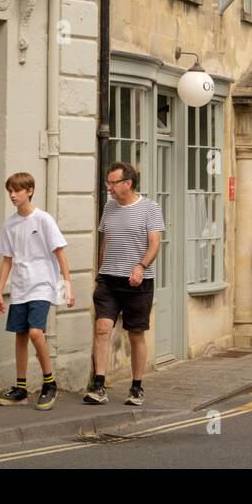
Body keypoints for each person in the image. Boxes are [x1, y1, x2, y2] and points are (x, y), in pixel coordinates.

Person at [0, 172, 74, 411]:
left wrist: (67, 285)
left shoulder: (43, 220)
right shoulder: (10, 224)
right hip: (19, 287)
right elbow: (7, 260)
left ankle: (49, 383)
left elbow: (59, 253)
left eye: (17, 190)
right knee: (20, 335)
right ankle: (20, 389)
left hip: (42, 285)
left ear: (29, 191)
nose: (12, 195)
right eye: (10, 191)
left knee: (35, 333)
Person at [86, 161, 163, 406]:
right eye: (108, 182)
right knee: (101, 329)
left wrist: (141, 267)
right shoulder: (109, 207)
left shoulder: (150, 208)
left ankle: (137, 386)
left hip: (137, 283)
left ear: (127, 184)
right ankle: (98, 385)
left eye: (113, 182)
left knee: (135, 334)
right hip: (109, 280)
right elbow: (106, 241)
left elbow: (154, 244)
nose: (108, 187)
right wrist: (100, 271)